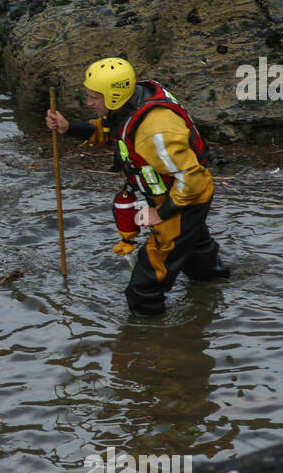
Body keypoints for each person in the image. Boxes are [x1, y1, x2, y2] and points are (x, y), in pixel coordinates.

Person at [45, 57, 228, 316]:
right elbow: (114, 131)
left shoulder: (155, 132)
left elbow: (193, 179)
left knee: (146, 281)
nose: (88, 103)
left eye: (94, 97)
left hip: (183, 199)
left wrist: (160, 214)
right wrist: (68, 128)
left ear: (115, 96)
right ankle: (212, 289)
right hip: (175, 194)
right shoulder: (132, 102)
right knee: (196, 250)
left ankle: (147, 338)